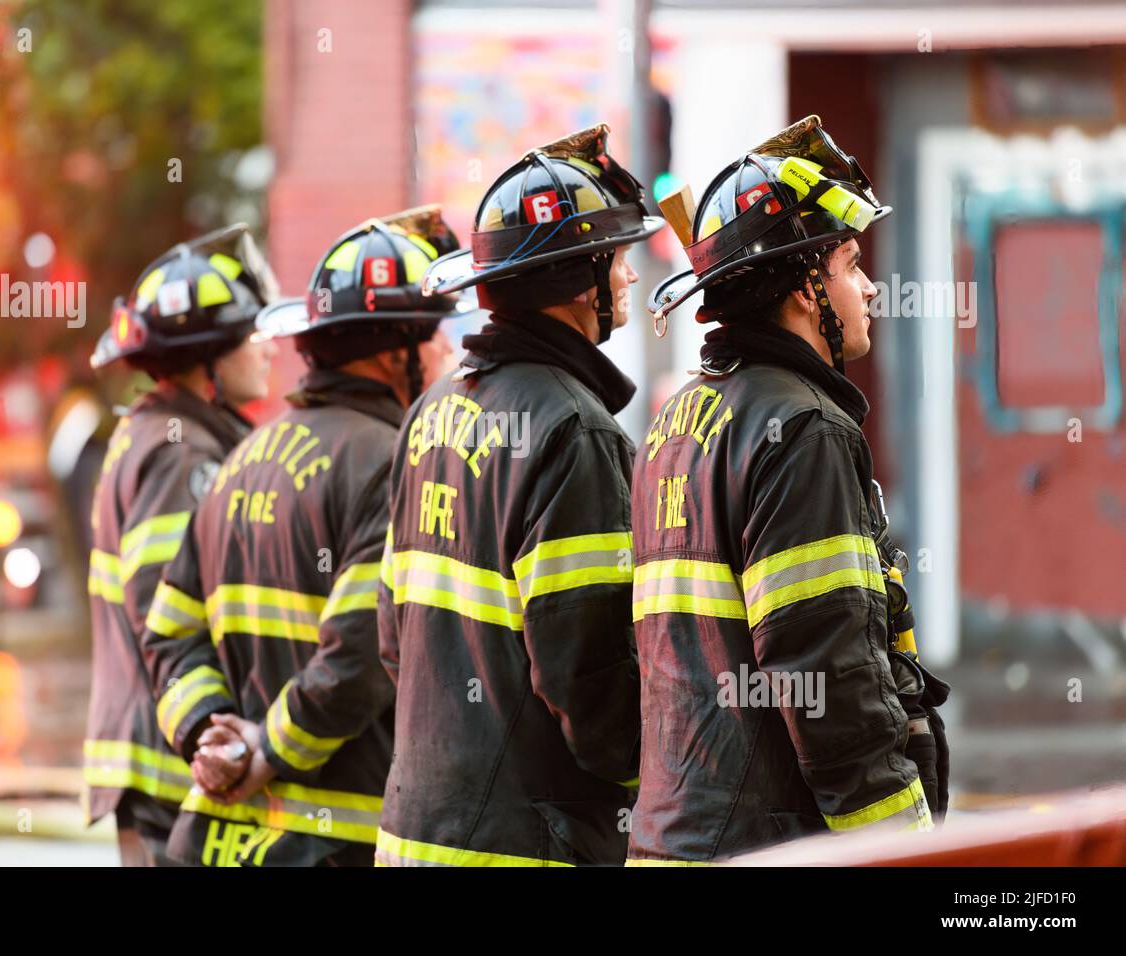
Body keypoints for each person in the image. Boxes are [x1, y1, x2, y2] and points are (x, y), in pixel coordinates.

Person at [627, 115, 949, 864]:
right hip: (770, 846)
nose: (868, 287)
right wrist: (901, 848)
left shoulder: (677, 421)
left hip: (671, 839)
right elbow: (826, 674)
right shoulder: (804, 430)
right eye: (849, 263)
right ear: (807, 287)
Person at [375, 125, 663, 866]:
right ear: (578, 279)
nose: (630, 278)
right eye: (619, 259)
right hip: (526, 843)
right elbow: (585, 671)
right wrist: (649, 781)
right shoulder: (574, 430)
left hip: (413, 832)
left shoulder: (432, 408)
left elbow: (392, 636)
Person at [140, 206, 462, 867]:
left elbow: (168, 631)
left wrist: (209, 734)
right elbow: (363, 652)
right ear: (391, 349)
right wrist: (270, 750)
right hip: (334, 840)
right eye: (435, 332)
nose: (448, 349)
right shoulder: (389, 460)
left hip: (213, 839)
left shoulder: (238, 461)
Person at [83, 224, 279, 866]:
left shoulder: (160, 432)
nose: (266, 351)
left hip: (156, 755)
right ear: (207, 361)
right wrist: (213, 729)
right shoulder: (178, 451)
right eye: (249, 338)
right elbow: (164, 610)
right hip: (169, 763)